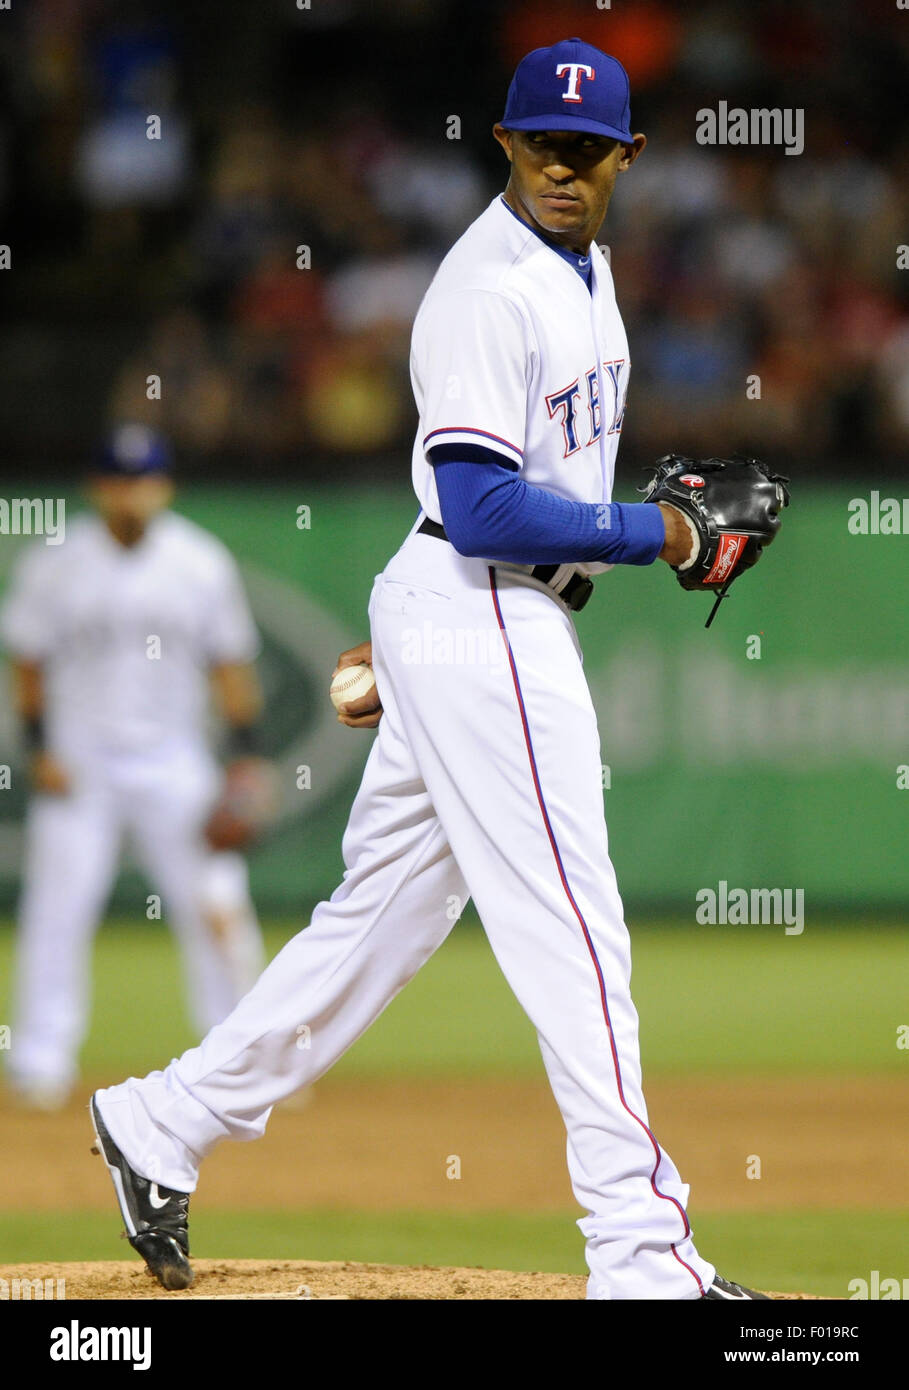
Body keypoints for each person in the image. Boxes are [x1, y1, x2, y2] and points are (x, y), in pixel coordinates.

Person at [89, 41, 767, 1300]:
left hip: (466, 611)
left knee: (380, 924)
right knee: (576, 929)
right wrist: (660, 532)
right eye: (540, 144)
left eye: (587, 148)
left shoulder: (588, 271)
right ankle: (642, 1253)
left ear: (626, 159)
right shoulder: (486, 285)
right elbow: (485, 506)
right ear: (505, 145)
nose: (563, 166)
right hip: (487, 599)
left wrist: (421, 637)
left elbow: (505, 499)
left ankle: (160, 1121)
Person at [2, 424, 267, 1109]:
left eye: (144, 479)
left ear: (165, 485)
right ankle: (40, 1060)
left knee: (216, 900)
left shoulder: (200, 562)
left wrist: (246, 762)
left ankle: (240, 1059)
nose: (132, 494)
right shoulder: (54, 562)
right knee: (56, 909)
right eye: (119, 479)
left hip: (174, 758)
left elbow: (230, 665)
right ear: (96, 486)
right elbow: (26, 663)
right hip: (80, 760)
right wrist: (39, 750)